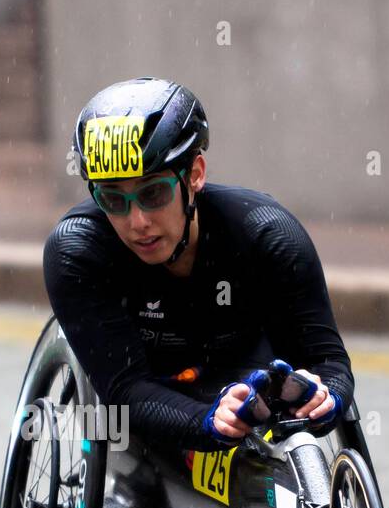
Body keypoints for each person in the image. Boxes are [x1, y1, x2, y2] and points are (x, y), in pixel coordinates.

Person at [43, 76, 354, 454]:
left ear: (194, 175)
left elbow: (327, 360)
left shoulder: (268, 233)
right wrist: (206, 423)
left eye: (153, 192)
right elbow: (125, 390)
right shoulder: (77, 250)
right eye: (112, 198)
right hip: (149, 397)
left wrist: (326, 396)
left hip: (250, 375)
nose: (137, 221)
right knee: (117, 416)